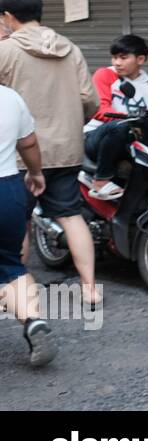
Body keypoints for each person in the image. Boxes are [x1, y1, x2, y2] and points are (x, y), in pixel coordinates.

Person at [0, 0, 99, 307]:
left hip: (20, 153)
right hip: (67, 149)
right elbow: (89, 100)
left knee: (20, 222)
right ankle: (90, 289)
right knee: (71, 215)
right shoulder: (70, 48)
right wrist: (70, 124)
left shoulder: (6, 51)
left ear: (8, 17)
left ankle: (14, 292)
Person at [0, 84, 56, 366]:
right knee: (10, 265)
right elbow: (29, 143)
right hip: (7, 189)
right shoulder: (10, 97)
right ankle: (33, 321)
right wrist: (36, 173)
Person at [83, 34, 148, 200]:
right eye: (114, 57)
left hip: (132, 141)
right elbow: (100, 109)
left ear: (140, 59)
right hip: (96, 137)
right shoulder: (105, 75)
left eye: (123, 58)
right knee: (122, 125)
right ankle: (101, 180)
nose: (117, 63)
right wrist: (129, 118)